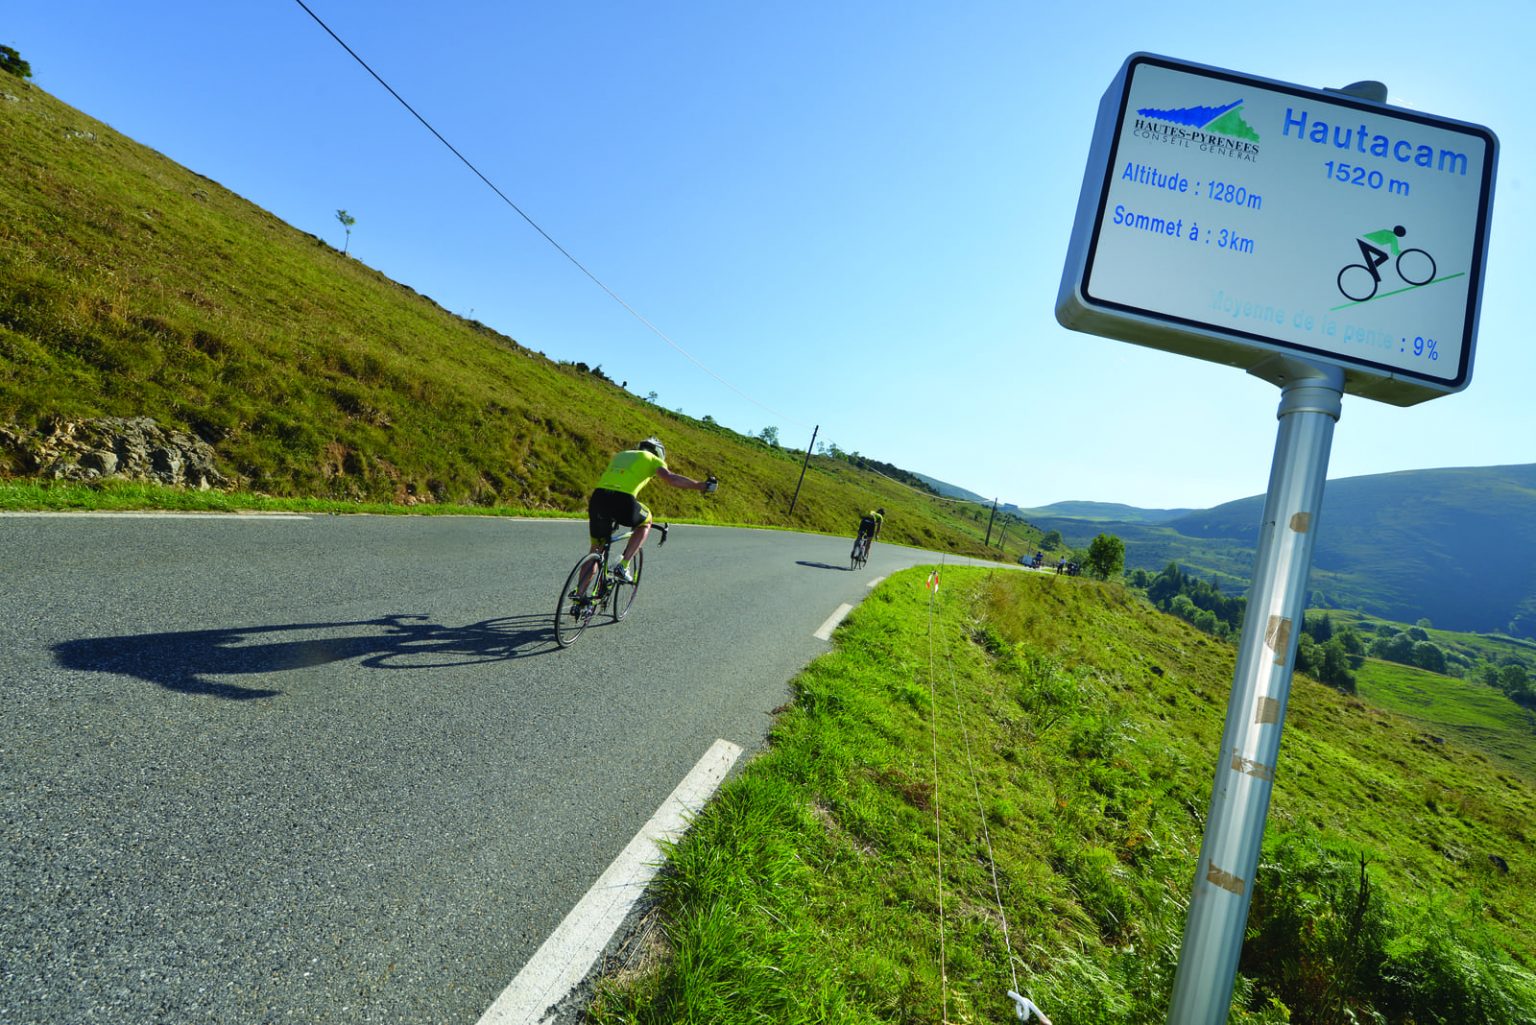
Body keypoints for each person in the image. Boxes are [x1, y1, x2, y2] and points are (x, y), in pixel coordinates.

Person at [585, 437, 714, 585]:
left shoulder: (622, 454)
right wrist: (701, 486)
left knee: (595, 551)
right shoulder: (653, 459)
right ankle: (623, 565)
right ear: (659, 453)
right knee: (647, 520)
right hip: (623, 500)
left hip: (598, 498)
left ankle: (579, 599)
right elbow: (671, 479)